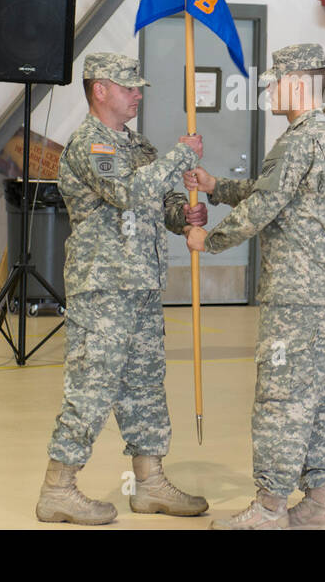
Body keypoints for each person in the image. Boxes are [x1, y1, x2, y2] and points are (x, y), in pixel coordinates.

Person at [36, 52, 209, 526]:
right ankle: (58, 489)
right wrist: (182, 155)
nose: (137, 95)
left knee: (145, 386)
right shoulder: (91, 145)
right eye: (129, 87)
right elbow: (128, 193)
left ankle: (150, 482)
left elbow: (163, 204)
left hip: (143, 286)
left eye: (138, 88)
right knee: (91, 387)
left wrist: (185, 215)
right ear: (100, 90)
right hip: (104, 288)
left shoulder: (141, 146)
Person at [185, 43, 325, 529]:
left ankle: (270, 507)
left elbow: (263, 209)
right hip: (317, 291)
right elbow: (274, 192)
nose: (270, 91)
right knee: (313, 398)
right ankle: (321, 502)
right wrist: (217, 187)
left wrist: (207, 239)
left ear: (298, 83)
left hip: (296, 296)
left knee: (281, 399)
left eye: (275, 81)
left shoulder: (301, 141)